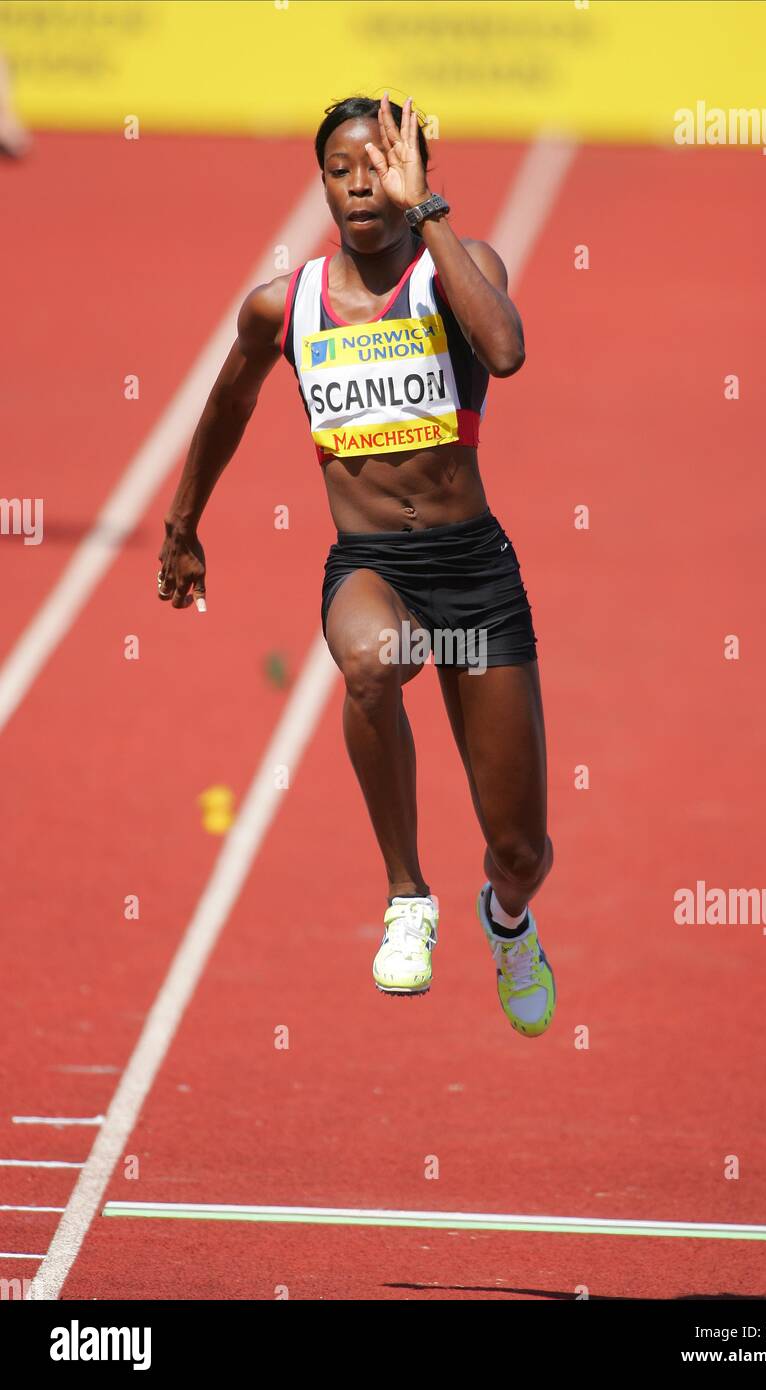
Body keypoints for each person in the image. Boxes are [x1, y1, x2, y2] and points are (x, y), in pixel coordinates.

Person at [158, 93, 555, 1038]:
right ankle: (407, 894)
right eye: (341, 170)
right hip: (370, 564)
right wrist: (182, 525)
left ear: (413, 170)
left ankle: (507, 923)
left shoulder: (458, 271)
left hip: (476, 572)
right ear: (322, 184)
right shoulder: (285, 307)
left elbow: (505, 350)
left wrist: (433, 215)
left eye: (379, 165)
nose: (359, 185)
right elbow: (225, 408)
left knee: (521, 848)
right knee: (373, 662)